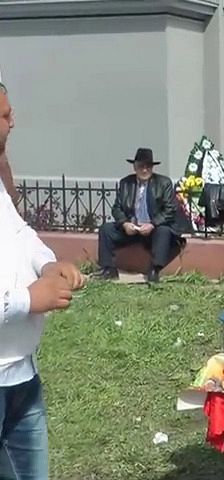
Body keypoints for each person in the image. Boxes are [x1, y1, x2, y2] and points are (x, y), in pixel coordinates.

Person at [0, 81, 85, 479]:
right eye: (4, 116)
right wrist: (30, 299)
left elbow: (21, 233)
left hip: (21, 378)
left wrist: (49, 266)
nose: (13, 123)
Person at [93, 148, 180, 283]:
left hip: (153, 228)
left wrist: (152, 224)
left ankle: (154, 270)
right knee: (106, 229)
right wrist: (124, 223)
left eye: (148, 167)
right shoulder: (126, 183)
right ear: (135, 167)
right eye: (141, 167)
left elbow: (170, 209)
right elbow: (117, 208)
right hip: (132, 228)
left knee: (164, 231)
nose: (145, 170)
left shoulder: (164, 183)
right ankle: (109, 269)